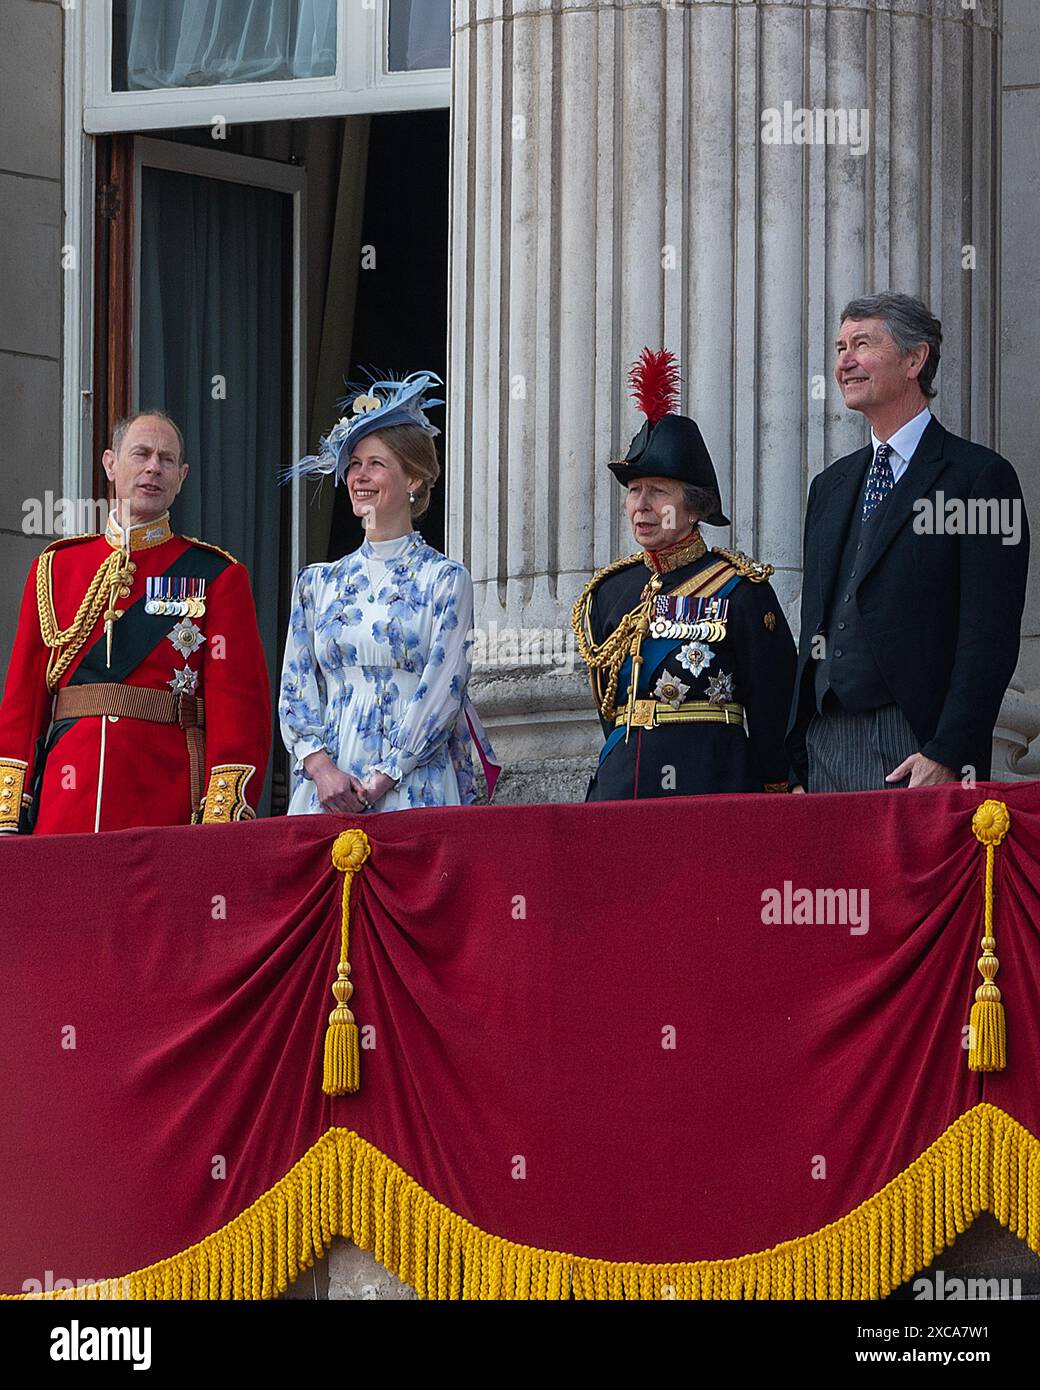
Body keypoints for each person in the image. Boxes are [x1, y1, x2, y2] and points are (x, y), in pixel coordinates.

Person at [786, 292, 1029, 793]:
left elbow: (990, 633)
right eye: (839, 348)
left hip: (918, 743)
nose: (844, 361)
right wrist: (798, 751)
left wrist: (948, 750)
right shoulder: (828, 487)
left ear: (915, 359)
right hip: (827, 742)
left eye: (861, 344)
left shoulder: (978, 476)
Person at [0, 411, 271, 834]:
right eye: (141, 454)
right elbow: (23, 703)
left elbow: (239, 710)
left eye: (166, 460)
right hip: (65, 801)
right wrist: (9, 817)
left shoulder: (216, 574)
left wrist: (221, 822)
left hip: (165, 804)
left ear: (181, 477)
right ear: (110, 464)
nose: (153, 468)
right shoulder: (55, 569)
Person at [573, 349, 797, 800]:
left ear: (693, 507)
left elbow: (777, 704)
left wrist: (779, 783)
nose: (641, 505)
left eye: (658, 491)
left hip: (711, 787)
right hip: (622, 790)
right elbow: (610, 710)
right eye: (634, 491)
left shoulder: (740, 590)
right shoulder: (609, 593)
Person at [279, 372, 500, 815]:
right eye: (354, 463)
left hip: (411, 786)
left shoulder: (444, 579)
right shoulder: (316, 583)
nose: (360, 476)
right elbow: (295, 686)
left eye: (376, 464)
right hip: (327, 792)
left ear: (414, 479)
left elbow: (444, 689)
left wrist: (385, 776)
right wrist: (322, 771)